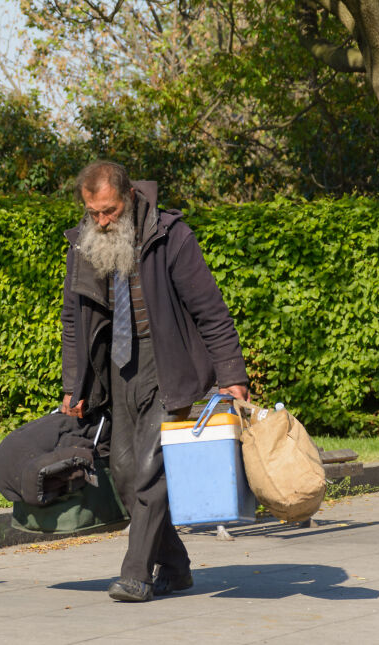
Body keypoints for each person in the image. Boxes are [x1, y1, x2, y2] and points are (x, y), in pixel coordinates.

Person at [59, 160, 249, 602]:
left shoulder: (171, 236)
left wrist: (232, 376)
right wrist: (75, 385)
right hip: (116, 370)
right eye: (93, 213)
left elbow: (211, 311)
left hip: (170, 365)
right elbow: (74, 320)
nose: (101, 222)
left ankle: (136, 573)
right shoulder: (83, 244)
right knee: (123, 472)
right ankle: (177, 567)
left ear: (126, 197)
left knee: (148, 469)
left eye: (108, 211)